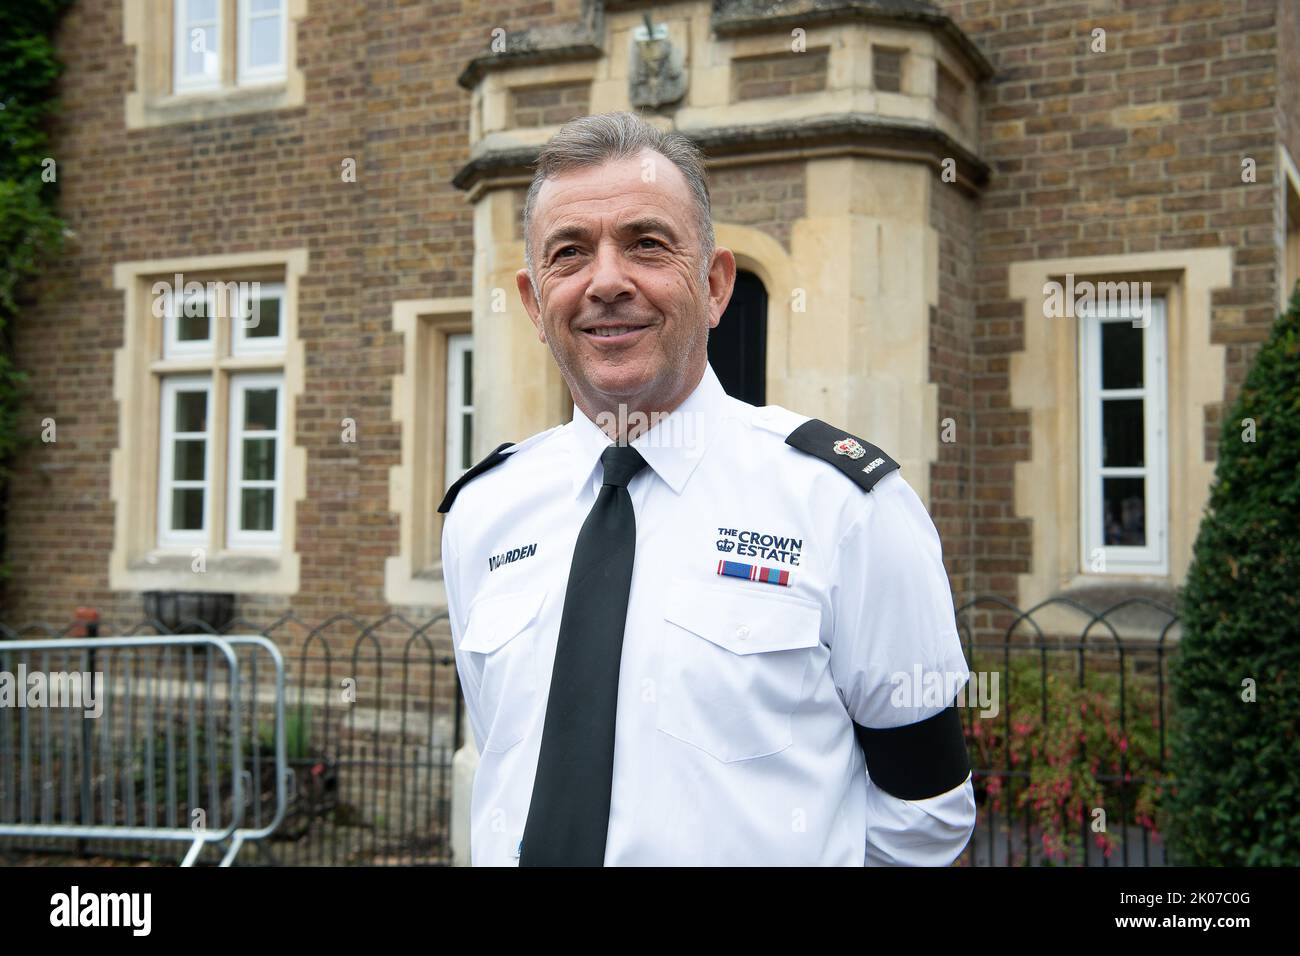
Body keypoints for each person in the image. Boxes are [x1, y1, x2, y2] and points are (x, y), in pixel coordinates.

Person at [440, 110, 977, 866]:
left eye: (646, 245)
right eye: (570, 254)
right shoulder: (484, 513)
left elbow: (926, 817)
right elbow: (510, 753)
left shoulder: (845, 508)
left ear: (716, 284)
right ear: (534, 303)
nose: (606, 282)